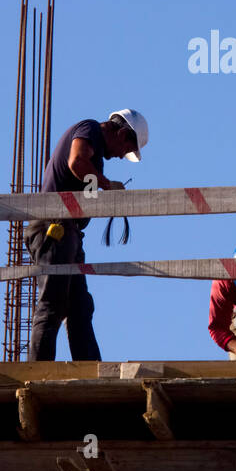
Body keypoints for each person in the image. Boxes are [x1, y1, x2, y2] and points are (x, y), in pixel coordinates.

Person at [26, 108, 148, 361]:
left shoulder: (98, 160)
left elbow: (85, 193)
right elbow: (76, 163)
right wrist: (106, 184)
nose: (119, 156)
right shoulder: (89, 129)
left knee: (79, 307)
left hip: (68, 234)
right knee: (52, 304)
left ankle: (90, 368)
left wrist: (107, 195)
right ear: (122, 133)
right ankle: (36, 373)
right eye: (125, 150)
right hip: (54, 229)